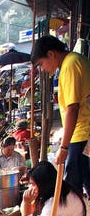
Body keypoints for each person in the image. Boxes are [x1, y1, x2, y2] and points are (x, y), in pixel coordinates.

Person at [31, 35, 90, 194]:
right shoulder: (73, 61)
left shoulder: (70, 65)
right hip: (81, 134)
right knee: (84, 178)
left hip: (81, 134)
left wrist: (64, 147)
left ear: (51, 54)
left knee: (72, 187)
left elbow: (72, 108)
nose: (43, 68)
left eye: (42, 64)